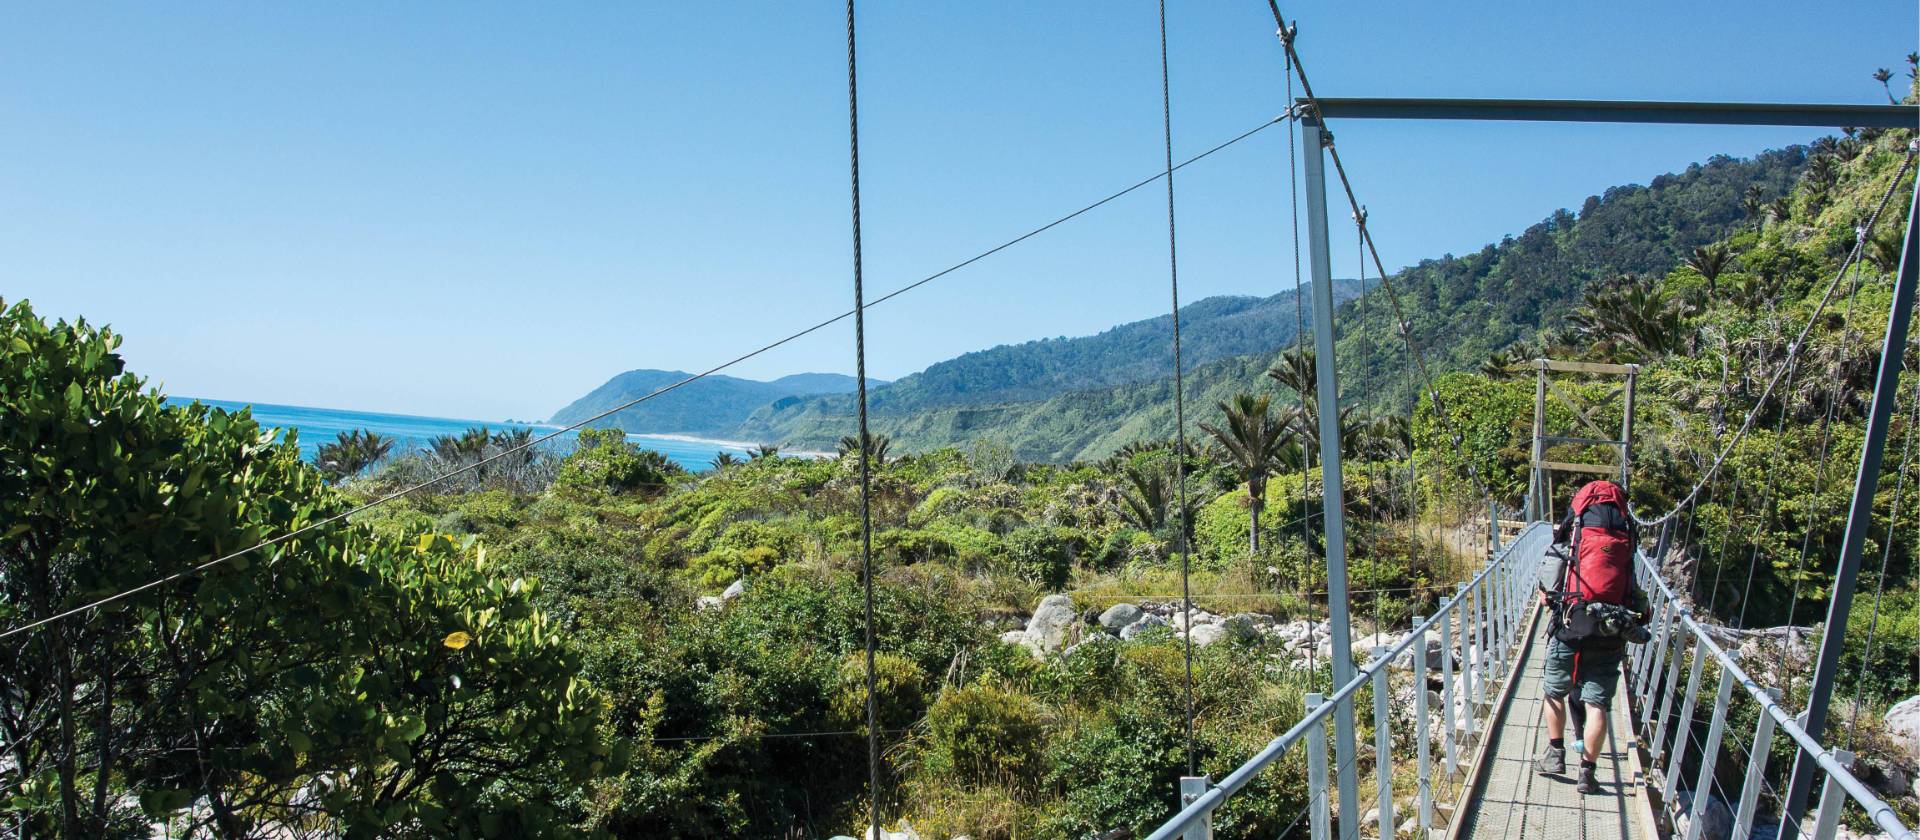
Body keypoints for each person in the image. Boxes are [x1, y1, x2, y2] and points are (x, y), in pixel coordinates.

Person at [1533, 479, 1649, 794]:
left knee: (1554, 691)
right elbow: (1630, 582)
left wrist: (1547, 595)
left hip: (1572, 622)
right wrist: (1642, 612)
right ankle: (1588, 773)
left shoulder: (1576, 526)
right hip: (1612, 628)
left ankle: (1556, 754)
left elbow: (1551, 573)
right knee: (1597, 703)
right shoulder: (1626, 531)